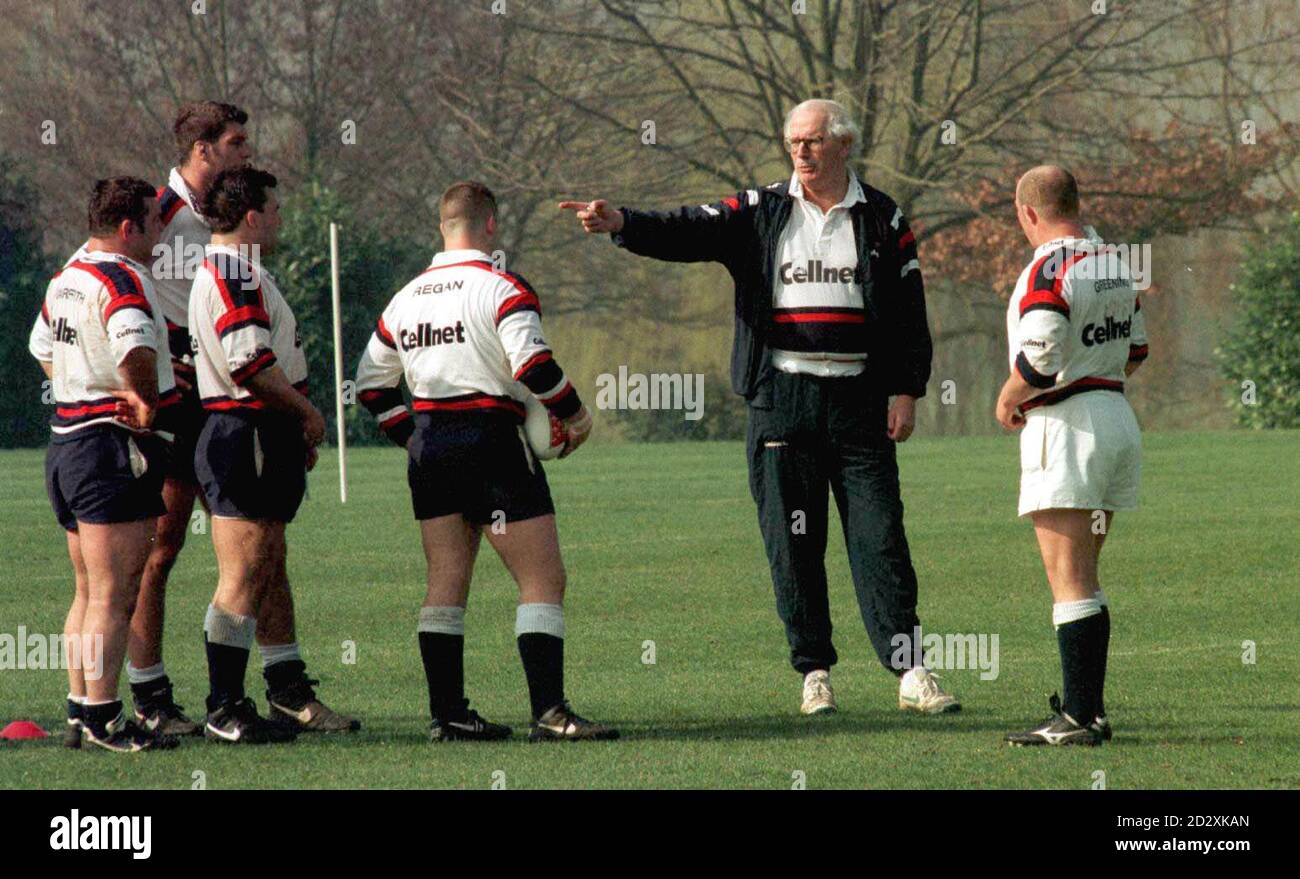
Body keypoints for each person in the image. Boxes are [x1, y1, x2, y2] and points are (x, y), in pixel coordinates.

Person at [559, 99, 959, 718]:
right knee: (793, 543)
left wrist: (907, 388)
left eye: (814, 140)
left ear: (843, 144)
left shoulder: (883, 216)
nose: (801, 150)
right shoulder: (760, 209)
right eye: (794, 140)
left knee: (881, 540)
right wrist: (622, 223)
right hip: (781, 401)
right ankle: (815, 673)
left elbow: (911, 311)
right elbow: (686, 228)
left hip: (860, 402)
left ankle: (910, 671)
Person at [28, 101, 355, 735]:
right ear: (202, 150)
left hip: (222, 401)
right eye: (236, 142)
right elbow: (83, 279)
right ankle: (150, 695)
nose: (246, 151)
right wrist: (122, 383)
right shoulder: (159, 214)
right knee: (158, 549)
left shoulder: (227, 222)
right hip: (178, 406)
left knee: (262, 544)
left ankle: (285, 685)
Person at [355, 181, 616, 742]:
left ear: (443, 228)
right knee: (542, 578)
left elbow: (370, 387)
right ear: (490, 226)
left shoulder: (406, 298)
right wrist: (577, 417)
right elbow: (534, 366)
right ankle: (550, 713)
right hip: (493, 444)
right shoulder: (502, 287)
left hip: (431, 445)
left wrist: (416, 439)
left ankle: (447, 715)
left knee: (446, 580)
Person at [183, 167, 349, 742]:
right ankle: (224, 706)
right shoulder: (232, 271)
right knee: (245, 571)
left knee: (270, 567)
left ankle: (287, 692)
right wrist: (305, 415)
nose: (280, 218)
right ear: (250, 216)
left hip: (255, 433)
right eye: (274, 209)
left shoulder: (238, 270)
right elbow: (248, 364)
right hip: (243, 430)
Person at [995, 165, 1148, 746]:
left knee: (1070, 577)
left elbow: (1040, 352)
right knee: (1085, 573)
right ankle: (1090, 711)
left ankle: (1080, 717)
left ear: (1027, 212)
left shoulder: (1049, 267)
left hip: (1066, 425)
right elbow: (1137, 349)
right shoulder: (1114, 262)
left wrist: (1009, 398)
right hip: (1115, 419)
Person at [32, 177, 182, 752]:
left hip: (67, 442)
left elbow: (42, 349)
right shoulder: (120, 276)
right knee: (117, 592)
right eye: (154, 221)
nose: (162, 232)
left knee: (88, 589)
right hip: (109, 447)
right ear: (129, 228)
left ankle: (80, 709)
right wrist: (142, 400)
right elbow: (134, 346)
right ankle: (104, 719)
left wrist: (79, 388)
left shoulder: (66, 277)